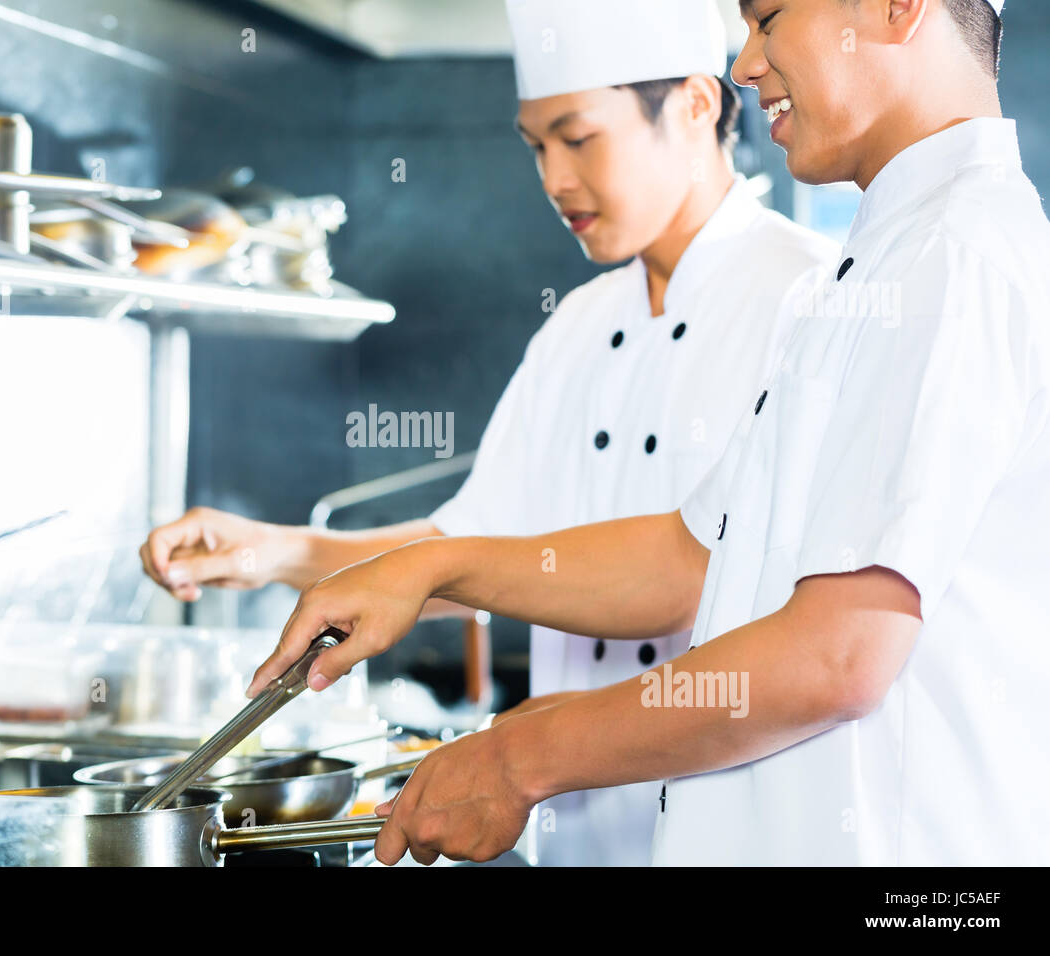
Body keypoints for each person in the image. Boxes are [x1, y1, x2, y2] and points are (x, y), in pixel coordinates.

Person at [249, 0, 1050, 866]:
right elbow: (690, 556)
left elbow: (838, 653)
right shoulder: (887, 259)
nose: (747, 64)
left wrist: (520, 760)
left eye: (769, 17)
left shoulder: (952, 254)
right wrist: (428, 569)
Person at [141, 0, 834, 865]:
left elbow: (684, 578)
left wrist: (435, 575)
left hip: (733, 834)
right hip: (579, 837)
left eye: (578, 138)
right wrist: (270, 552)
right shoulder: (579, 325)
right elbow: (468, 551)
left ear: (696, 105)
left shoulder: (807, 298)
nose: (553, 179)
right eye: (535, 145)